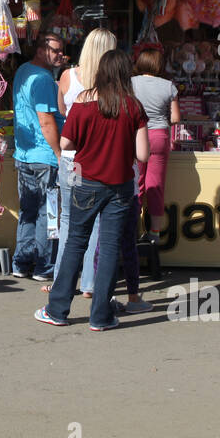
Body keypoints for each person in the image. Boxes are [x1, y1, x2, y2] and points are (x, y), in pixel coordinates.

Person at [36, 49, 149, 331]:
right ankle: (101, 316)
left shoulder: (83, 105)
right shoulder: (133, 107)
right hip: (120, 187)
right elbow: (143, 154)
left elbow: (65, 145)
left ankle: (58, 309)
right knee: (110, 248)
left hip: (85, 182)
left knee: (75, 241)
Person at [50, 27, 115, 297]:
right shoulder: (113, 82)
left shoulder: (67, 76)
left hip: (70, 159)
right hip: (97, 159)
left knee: (69, 221)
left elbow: (62, 112)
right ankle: (89, 283)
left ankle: (60, 281)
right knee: (97, 222)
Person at [125, 47, 180, 311]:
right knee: (156, 187)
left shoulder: (130, 83)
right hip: (159, 135)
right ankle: (155, 234)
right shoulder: (169, 86)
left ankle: (132, 228)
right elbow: (176, 118)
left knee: (136, 184)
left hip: (135, 134)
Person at [12, 32, 67, 280]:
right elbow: (46, 121)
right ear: (41, 50)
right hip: (44, 156)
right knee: (48, 212)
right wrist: (59, 153)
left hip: (24, 154)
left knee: (29, 211)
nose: (60, 55)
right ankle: (44, 266)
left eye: (61, 50)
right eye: (55, 50)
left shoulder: (24, 71)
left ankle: (22, 263)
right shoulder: (43, 79)